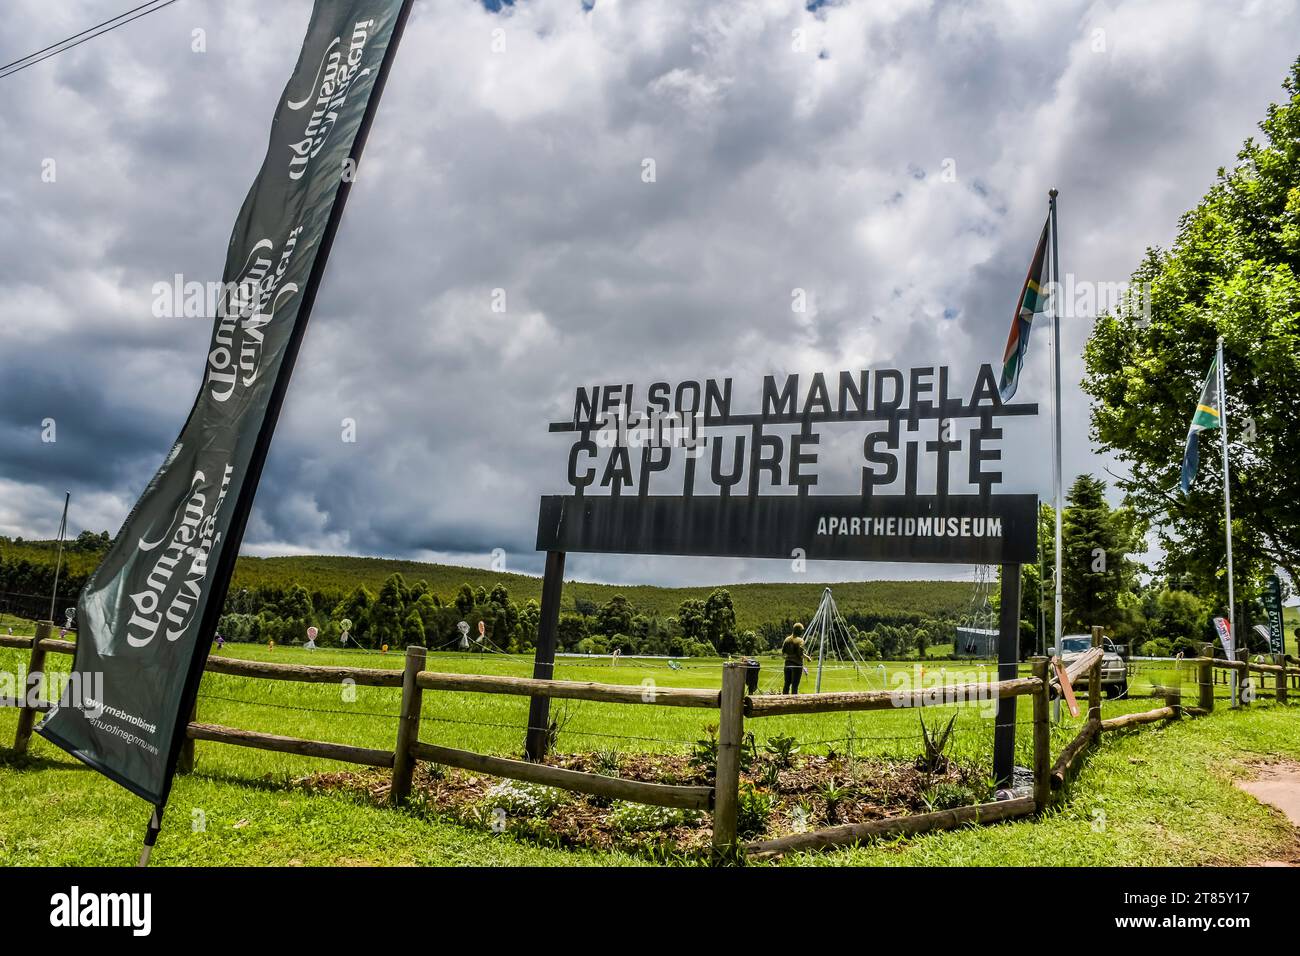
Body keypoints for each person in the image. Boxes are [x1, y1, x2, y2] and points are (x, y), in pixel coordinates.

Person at [782, 622, 811, 694]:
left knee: (786, 684)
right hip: (796, 665)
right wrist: (807, 657)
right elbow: (800, 654)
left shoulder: (787, 639)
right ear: (798, 630)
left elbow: (783, 653)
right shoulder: (800, 641)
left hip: (787, 665)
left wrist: (790, 657)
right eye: (801, 630)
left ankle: (783, 701)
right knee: (795, 686)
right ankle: (794, 703)